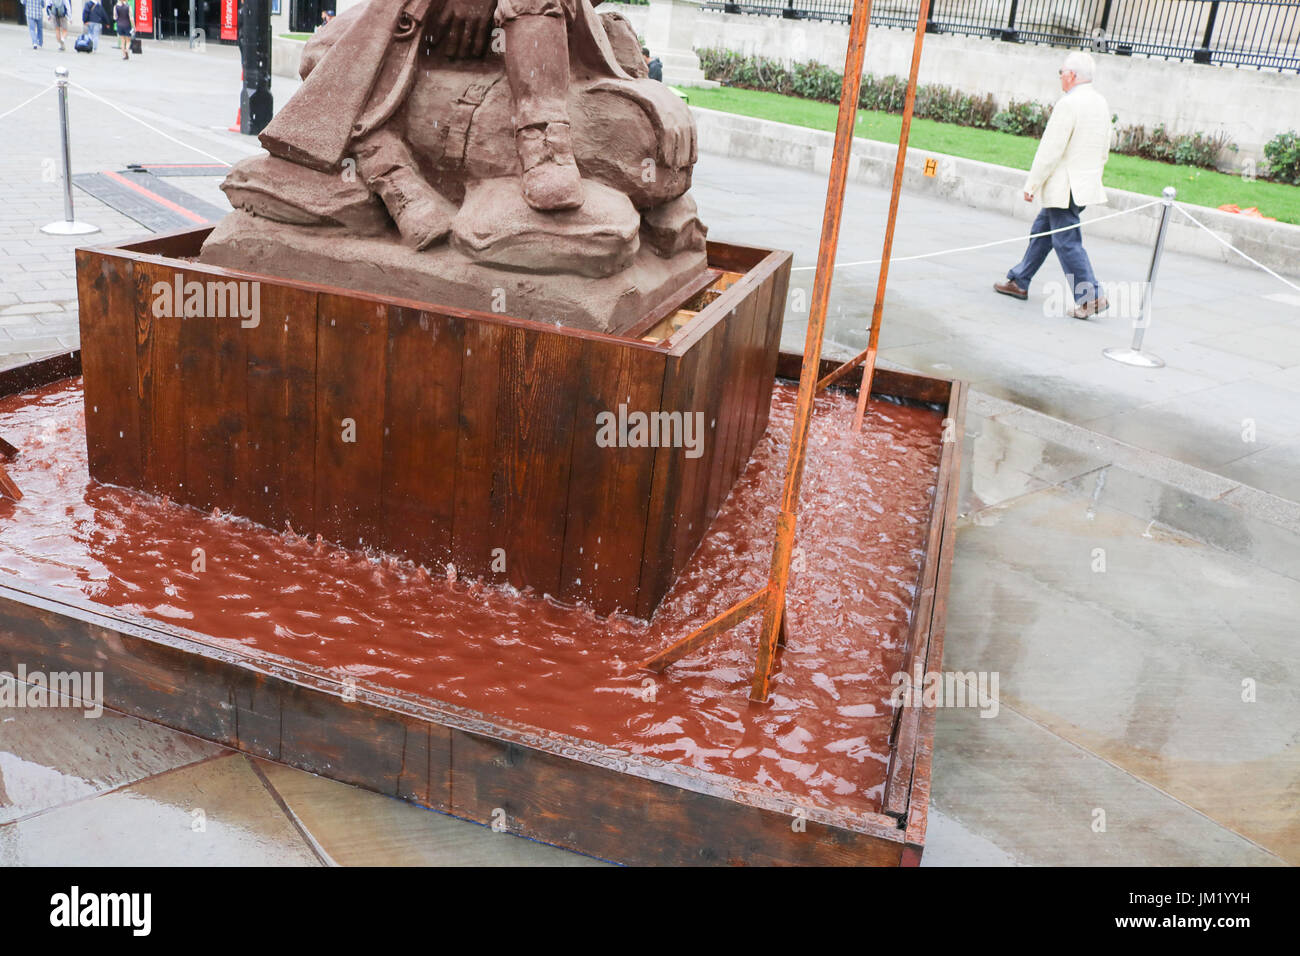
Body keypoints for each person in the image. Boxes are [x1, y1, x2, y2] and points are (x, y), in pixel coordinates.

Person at [994, 51, 1111, 319]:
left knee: (1066, 241)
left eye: (1061, 72)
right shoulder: (1100, 103)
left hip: (1065, 185)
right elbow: (1105, 147)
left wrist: (1032, 183)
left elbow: (1051, 149)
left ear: (1071, 75)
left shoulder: (1068, 104)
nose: (1060, 77)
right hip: (1083, 185)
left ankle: (1091, 296)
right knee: (1042, 231)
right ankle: (1020, 280)